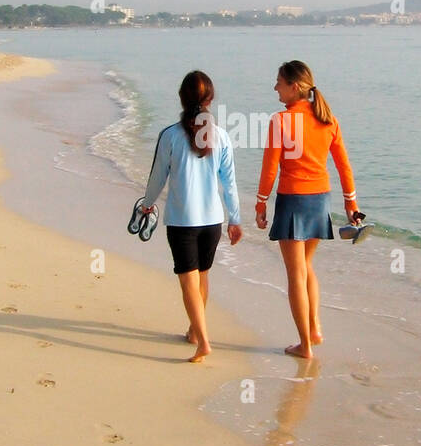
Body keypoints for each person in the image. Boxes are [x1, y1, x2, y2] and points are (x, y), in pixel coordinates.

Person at [255, 60, 360, 359]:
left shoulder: (281, 121)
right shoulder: (329, 121)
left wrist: (261, 202)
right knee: (306, 267)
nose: (275, 87)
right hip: (319, 200)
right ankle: (314, 328)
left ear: (295, 87)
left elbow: (270, 168)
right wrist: (351, 204)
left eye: (279, 82)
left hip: (292, 200)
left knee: (295, 274)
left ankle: (305, 345)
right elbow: (344, 166)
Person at [140, 71, 242, 362]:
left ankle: (203, 341)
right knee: (202, 276)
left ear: (182, 99)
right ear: (210, 100)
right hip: (213, 222)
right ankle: (194, 332)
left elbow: (158, 176)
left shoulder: (170, 135)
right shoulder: (221, 136)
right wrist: (235, 219)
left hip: (182, 222)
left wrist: (147, 204)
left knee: (188, 282)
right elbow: (230, 182)